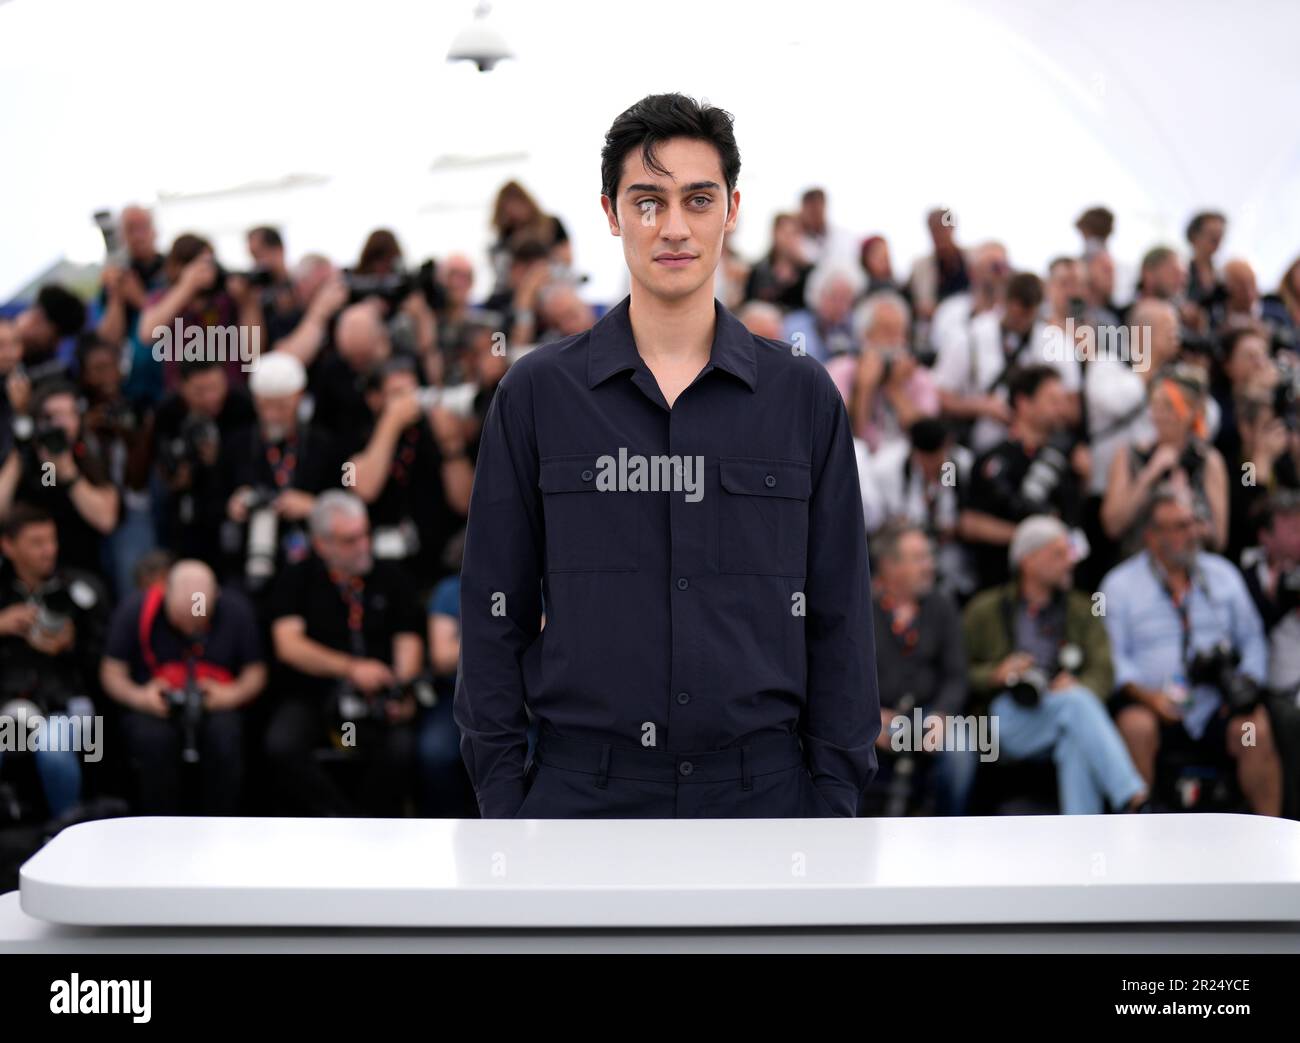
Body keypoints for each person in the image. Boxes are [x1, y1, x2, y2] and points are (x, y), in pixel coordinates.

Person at [456, 92, 880, 819]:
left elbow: (841, 612)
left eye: (698, 199)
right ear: (612, 213)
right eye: (648, 201)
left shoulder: (802, 397)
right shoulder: (536, 394)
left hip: (767, 799)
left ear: (732, 209)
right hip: (579, 798)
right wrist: (506, 797)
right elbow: (495, 610)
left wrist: (834, 799)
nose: (674, 227)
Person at [1099, 486, 1280, 816]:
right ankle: (1138, 831)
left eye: (1194, 523)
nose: (1193, 533)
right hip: (1152, 704)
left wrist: (1247, 687)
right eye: (1181, 526)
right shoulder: (1119, 585)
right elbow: (1113, 657)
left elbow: (1253, 639)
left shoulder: (1223, 575)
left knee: (1255, 731)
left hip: (1216, 704)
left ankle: (1271, 836)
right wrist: (1147, 697)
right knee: (1135, 727)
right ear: (1153, 537)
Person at [963, 516, 1149, 814]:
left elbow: (1104, 669)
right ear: (1028, 561)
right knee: (1076, 707)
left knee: (1074, 738)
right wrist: (996, 674)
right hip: (1004, 715)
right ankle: (1134, 798)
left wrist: (1080, 685)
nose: (1069, 562)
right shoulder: (986, 609)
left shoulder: (1081, 608)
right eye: (1058, 554)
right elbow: (958, 671)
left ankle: (1081, 838)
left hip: (1064, 708)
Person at [265, 491, 422, 817]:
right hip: (314, 693)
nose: (364, 545)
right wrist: (350, 668)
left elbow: (408, 643)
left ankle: (375, 828)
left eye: (365, 534)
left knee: (400, 749)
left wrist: (401, 686)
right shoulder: (297, 577)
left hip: (376, 695)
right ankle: (338, 821)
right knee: (281, 745)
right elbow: (288, 645)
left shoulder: (392, 577)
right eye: (350, 540)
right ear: (323, 545)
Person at [100, 559, 265, 814]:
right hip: (154, 707)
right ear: (164, 593)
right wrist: (140, 697)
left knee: (226, 736)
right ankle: (157, 824)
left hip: (217, 705)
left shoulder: (236, 610)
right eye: (181, 620)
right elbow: (112, 672)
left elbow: (256, 671)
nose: (190, 629)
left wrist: (232, 694)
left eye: (199, 622)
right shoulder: (135, 610)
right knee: (152, 740)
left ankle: (223, 824)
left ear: (216, 596)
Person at [0, 505, 108, 819]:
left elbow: (106, 661)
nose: (49, 551)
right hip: (11, 705)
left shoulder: (81, 589)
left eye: (52, 541)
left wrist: (72, 644)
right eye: (37, 543)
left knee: (53, 749)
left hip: (68, 706)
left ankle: (65, 834)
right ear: (8, 546)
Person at [870, 521, 973, 815]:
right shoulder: (861, 607)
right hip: (874, 716)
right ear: (890, 565)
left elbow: (956, 676)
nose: (930, 566)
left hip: (929, 715)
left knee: (961, 750)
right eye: (919, 559)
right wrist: (867, 715)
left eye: (929, 557)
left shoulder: (942, 607)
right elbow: (840, 676)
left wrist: (941, 715)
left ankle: (949, 836)